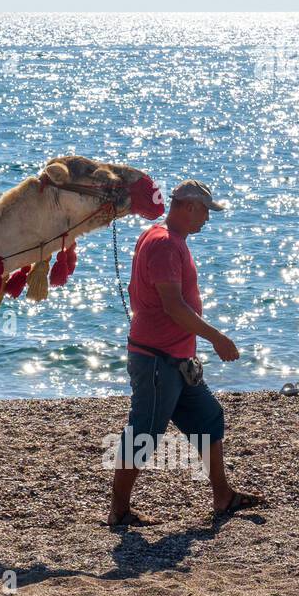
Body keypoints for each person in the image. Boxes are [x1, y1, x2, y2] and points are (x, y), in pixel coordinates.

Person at [108, 180, 265, 527]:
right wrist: (217, 338)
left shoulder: (163, 237)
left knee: (209, 417)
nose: (208, 219)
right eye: (206, 211)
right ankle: (118, 510)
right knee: (144, 432)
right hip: (156, 359)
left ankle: (223, 496)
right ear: (189, 206)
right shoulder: (165, 244)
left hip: (176, 359)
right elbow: (174, 306)